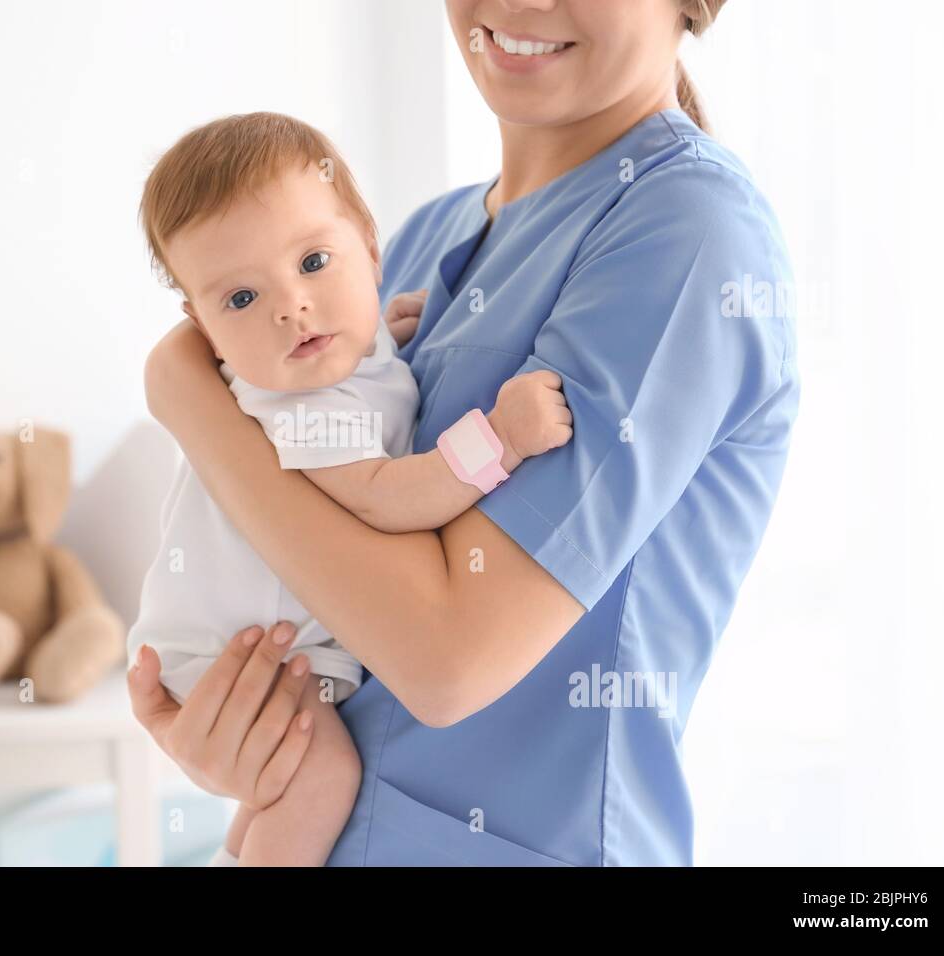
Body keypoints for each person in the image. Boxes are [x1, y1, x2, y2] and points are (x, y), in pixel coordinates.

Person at [130, 0, 798, 865]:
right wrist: (250, 737)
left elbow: (447, 660)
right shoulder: (412, 244)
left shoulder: (689, 234)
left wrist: (191, 403)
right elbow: (329, 611)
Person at [130, 111, 572, 865]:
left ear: (369, 241)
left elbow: (370, 382)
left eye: (312, 263)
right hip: (236, 653)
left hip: (249, 645)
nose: (290, 308)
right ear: (199, 324)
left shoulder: (342, 361)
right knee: (320, 773)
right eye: (240, 300)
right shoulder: (296, 404)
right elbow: (384, 493)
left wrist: (387, 333)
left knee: (279, 792)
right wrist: (498, 440)